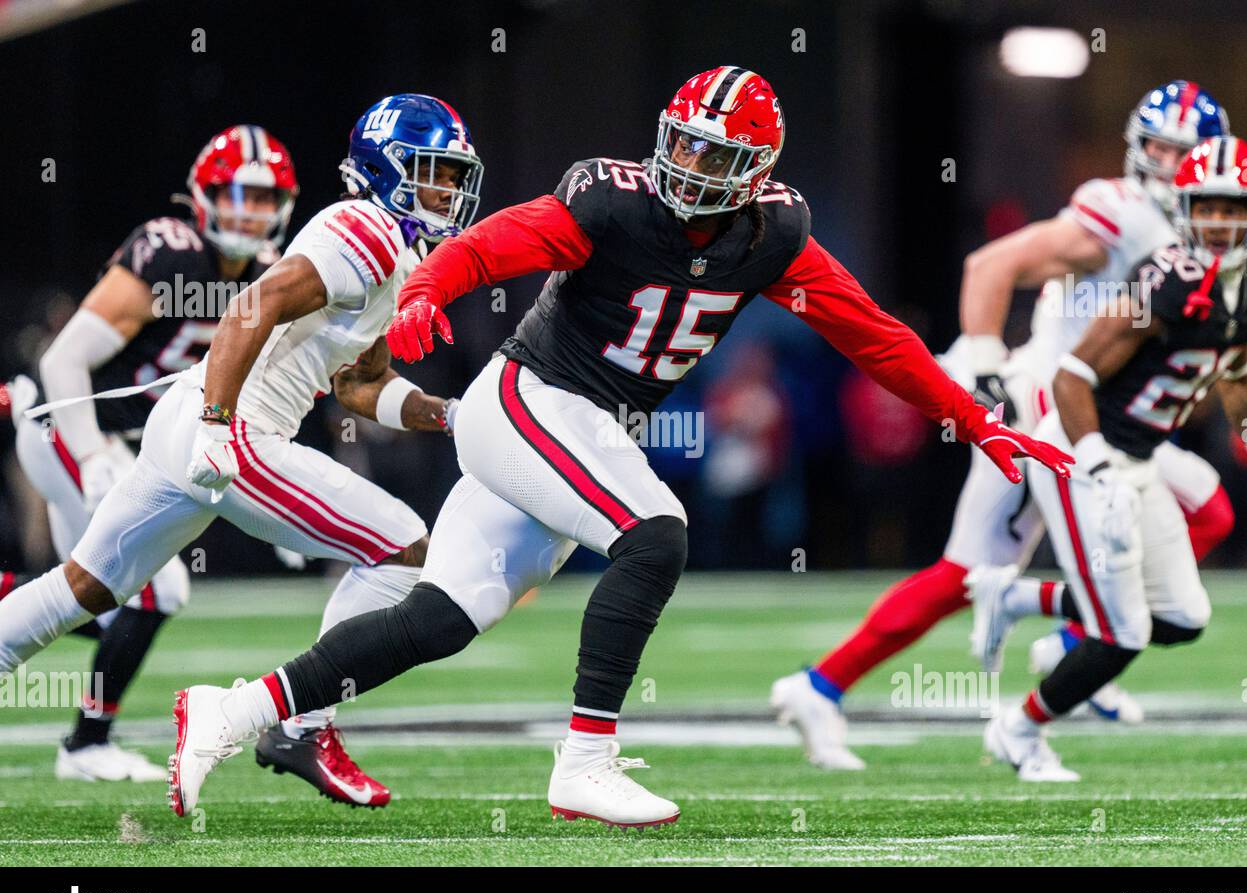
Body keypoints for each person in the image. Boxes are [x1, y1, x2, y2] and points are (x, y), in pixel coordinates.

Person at [169, 66, 1072, 827]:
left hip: (579, 425)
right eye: (682, 143)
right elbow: (495, 242)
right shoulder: (612, 199)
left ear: (756, 171)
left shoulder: (777, 238)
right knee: (656, 532)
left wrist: (982, 421)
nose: (688, 166)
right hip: (533, 399)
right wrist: (427, 291)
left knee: (442, 618)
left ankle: (233, 709)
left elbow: (876, 337)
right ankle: (585, 759)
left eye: (715, 156)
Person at [0, 94, 479, 806]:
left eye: (453, 173)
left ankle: (294, 724)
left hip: (185, 422)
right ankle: (302, 724)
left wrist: (456, 417)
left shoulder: (400, 251)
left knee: (84, 590)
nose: (449, 190)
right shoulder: (369, 228)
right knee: (406, 548)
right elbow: (249, 308)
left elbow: (359, 383)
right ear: (390, 169)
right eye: (435, 172)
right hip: (229, 428)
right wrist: (221, 423)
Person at [771, 81, 1233, 769]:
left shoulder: (1198, 234)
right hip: (1048, 414)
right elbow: (993, 263)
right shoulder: (1125, 215)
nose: (1168, 165)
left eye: (1182, 152)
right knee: (970, 574)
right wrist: (983, 363)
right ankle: (827, 685)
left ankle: (1076, 642)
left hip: (1103, 424)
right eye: (1159, 149)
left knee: (1207, 510)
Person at [974, 137, 1247, 780]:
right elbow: (1070, 378)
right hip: (1077, 451)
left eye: (1233, 209)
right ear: (1184, 210)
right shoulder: (1164, 281)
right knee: (1120, 632)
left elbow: (1233, 364)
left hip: (1142, 458)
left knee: (1181, 618)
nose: (1218, 223)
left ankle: (1017, 596)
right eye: (1206, 208)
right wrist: (1097, 469)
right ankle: (1018, 730)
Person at [2, 125, 296, 781]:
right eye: (237, 194)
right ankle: (85, 744)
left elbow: (257, 397)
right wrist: (93, 452)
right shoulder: (169, 254)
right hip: (70, 427)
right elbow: (64, 358)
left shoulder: (273, 281)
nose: (249, 211)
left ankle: (84, 741)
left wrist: (281, 494)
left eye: (263, 197)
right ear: (204, 196)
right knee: (153, 590)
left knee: (105, 600)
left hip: (137, 446)